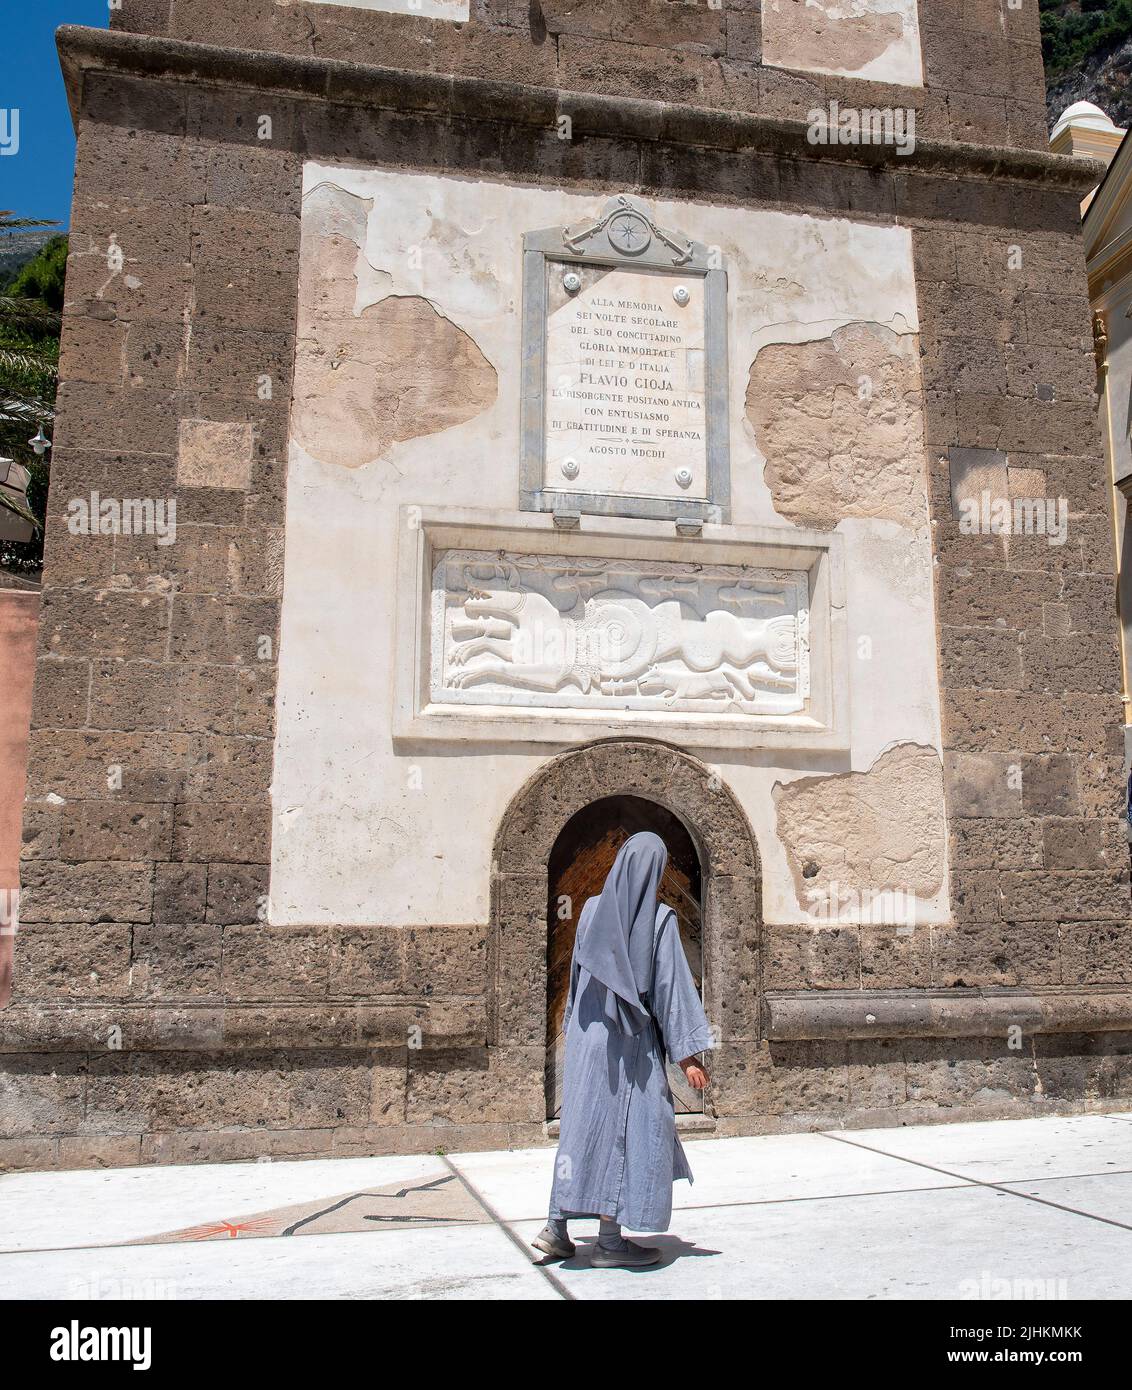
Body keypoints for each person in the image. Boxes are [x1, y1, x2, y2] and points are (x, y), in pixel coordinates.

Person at [533, 830, 714, 1269]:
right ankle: (610, 1241)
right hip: (629, 1047)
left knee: (582, 1129)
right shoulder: (660, 920)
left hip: (586, 1039)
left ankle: (557, 1227)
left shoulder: (593, 909)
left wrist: (574, 1031)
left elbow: (576, 979)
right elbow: (671, 992)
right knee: (630, 1129)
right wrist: (689, 1057)